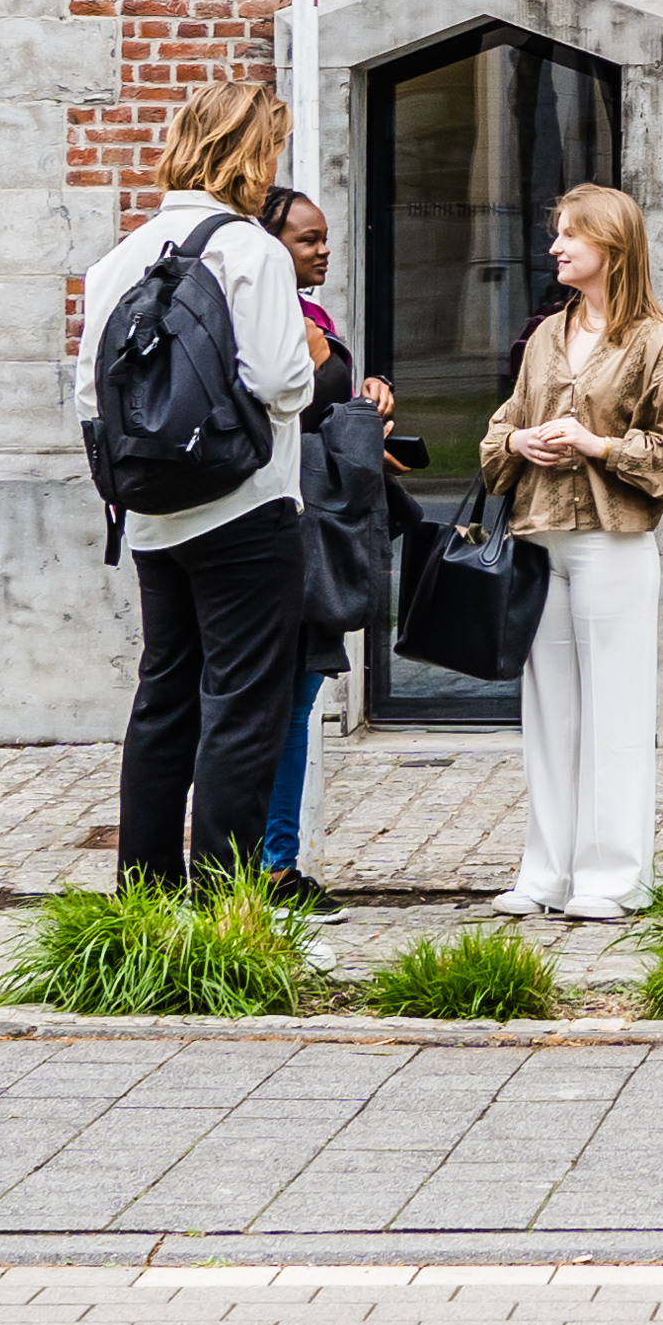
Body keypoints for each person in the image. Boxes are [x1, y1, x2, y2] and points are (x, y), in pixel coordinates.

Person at [73, 74, 318, 892]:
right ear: (251, 156)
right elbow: (284, 380)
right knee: (244, 705)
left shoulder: (120, 256)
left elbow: (89, 397)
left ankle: (144, 895)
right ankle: (225, 902)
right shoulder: (251, 249)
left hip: (150, 518)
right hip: (246, 508)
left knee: (164, 700)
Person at [482, 182, 663, 920]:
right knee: (550, 716)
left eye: (570, 235)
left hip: (613, 543)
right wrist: (520, 441)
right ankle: (545, 874)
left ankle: (611, 880)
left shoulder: (657, 343)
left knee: (615, 710)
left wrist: (596, 444)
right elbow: (495, 434)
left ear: (610, 245)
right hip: (540, 539)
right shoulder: (548, 334)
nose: (556, 247)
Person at [254, 188, 387, 894]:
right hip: (288, 529)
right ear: (269, 245)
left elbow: (324, 413)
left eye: (325, 237)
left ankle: (276, 860)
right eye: (308, 239)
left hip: (315, 525)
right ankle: (270, 866)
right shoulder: (275, 324)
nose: (323, 249)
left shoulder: (313, 320)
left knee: (296, 703)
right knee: (283, 706)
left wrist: (369, 400)